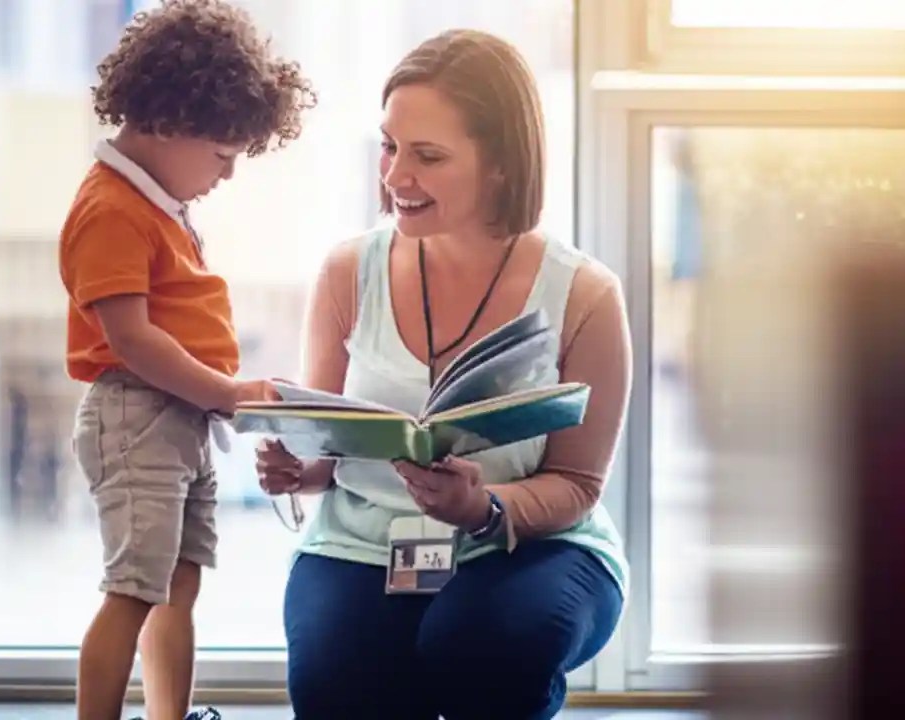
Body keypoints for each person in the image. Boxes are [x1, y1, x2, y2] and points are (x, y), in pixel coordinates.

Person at [255, 29, 631, 720]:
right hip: (364, 544)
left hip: (531, 548)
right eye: (390, 146)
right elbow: (330, 449)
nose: (395, 175)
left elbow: (578, 485)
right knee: (337, 681)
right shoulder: (347, 271)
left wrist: (483, 508)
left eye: (427, 156)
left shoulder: (586, 294)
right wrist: (296, 468)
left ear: (501, 167)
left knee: (483, 644)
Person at [58, 2, 314, 719]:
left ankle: (169, 714)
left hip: (177, 417)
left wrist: (222, 398)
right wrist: (229, 392)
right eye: (223, 155)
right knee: (134, 589)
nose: (227, 175)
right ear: (170, 122)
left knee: (179, 581)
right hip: (137, 413)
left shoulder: (155, 204)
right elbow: (133, 341)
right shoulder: (111, 208)